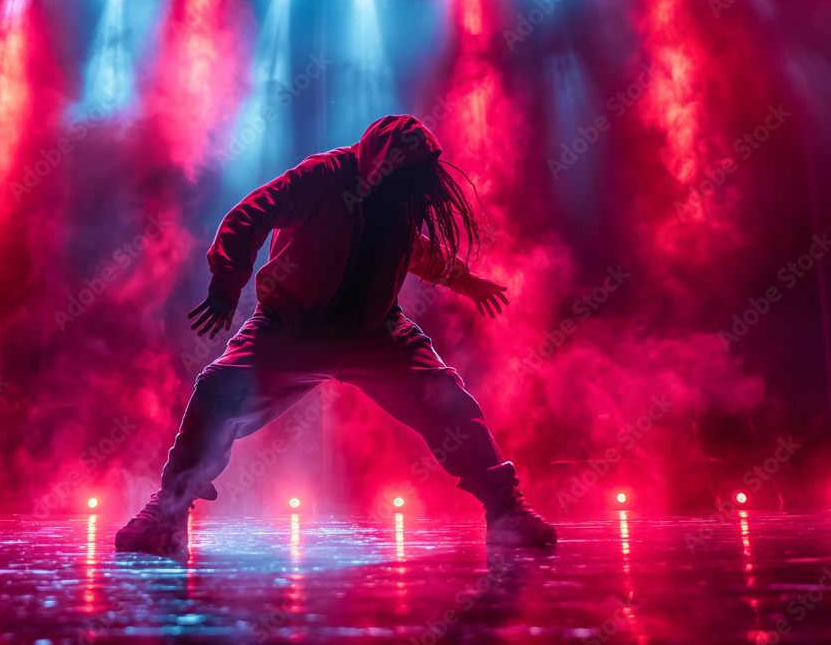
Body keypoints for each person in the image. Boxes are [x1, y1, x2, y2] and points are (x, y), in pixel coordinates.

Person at [115, 115, 556, 553]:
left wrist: (464, 280)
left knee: (445, 396)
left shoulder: (401, 196)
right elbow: (251, 214)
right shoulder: (322, 175)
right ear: (382, 159)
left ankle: (505, 510)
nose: (409, 186)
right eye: (403, 172)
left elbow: (415, 249)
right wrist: (226, 284)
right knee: (218, 390)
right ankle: (169, 509)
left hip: (377, 332)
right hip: (290, 326)